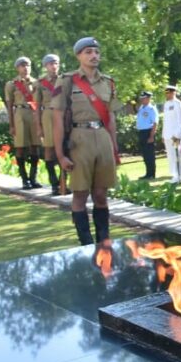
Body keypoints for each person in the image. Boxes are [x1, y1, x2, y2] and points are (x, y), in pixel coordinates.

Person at [52, 37, 122, 246]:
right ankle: (86, 243)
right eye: (88, 52)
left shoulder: (108, 82)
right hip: (79, 138)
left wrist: (114, 148)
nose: (93, 56)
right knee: (80, 193)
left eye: (96, 52)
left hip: (102, 138)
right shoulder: (67, 81)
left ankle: (104, 241)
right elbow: (57, 117)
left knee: (101, 194)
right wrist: (60, 155)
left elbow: (110, 118)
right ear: (79, 56)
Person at [4, 56, 43, 189]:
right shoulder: (12, 84)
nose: (25, 68)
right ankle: (24, 179)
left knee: (35, 146)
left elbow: (39, 102)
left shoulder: (37, 83)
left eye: (28, 65)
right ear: (17, 68)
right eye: (22, 65)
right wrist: (11, 124)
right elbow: (9, 105)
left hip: (33, 114)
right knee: (20, 147)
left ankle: (33, 178)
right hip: (19, 114)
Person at [34, 53, 63, 194]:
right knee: (49, 149)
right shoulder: (39, 83)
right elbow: (37, 105)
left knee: (65, 148)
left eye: (56, 63)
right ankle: (54, 184)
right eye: (51, 63)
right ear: (45, 66)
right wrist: (39, 126)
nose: (54, 66)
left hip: (63, 115)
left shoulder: (64, 80)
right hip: (48, 116)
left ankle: (63, 182)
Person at [162, 85, 181, 184]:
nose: (167, 95)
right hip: (168, 135)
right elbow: (165, 121)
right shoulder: (166, 104)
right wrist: (163, 134)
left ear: (173, 93)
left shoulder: (178, 104)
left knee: (177, 156)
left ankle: (180, 176)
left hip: (175, 136)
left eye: (168, 93)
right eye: (166, 93)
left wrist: (177, 135)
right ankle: (174, 175)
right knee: (170, 156)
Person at [135, 91, 157, 179]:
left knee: (150, 155)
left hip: (148, 132)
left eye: (144, 98)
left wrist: (151, 136)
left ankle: (151, 174)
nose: (142, 100)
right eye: (141, 98)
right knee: (145, 154)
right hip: (141, 132)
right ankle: (148, 173)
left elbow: (155, 123)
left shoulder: (151, 109)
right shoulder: (141, 107)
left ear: (148, 98)